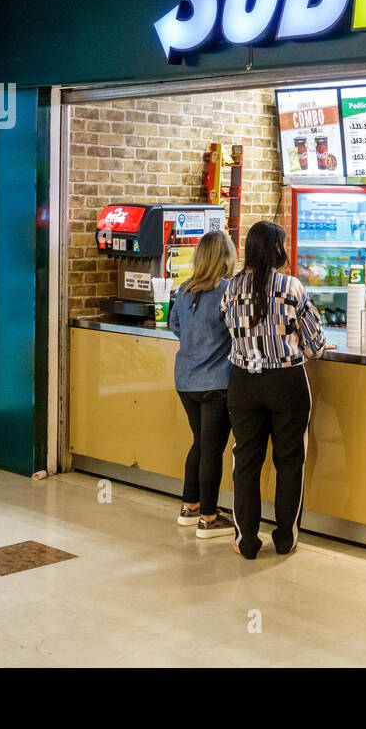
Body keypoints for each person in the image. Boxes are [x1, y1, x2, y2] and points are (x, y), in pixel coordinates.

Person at [221, 220, 325, 558]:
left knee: (245, 462)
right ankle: (285, 538)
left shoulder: (231, 288)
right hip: (286, 384)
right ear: (278, 249)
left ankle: (246, 541)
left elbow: (229, 327)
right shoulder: (292, 287)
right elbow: (316, 344)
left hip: (243, 382)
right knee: (289, 461)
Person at [168, 229, 237, 538]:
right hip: (217, 383)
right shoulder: (227, 291)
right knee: (212, 449)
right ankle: (209, 519)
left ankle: (190, 506)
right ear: (225, 258)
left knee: (199, 442)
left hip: (186, 381)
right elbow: (241, 329)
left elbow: (175, 327)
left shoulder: (184, 290)